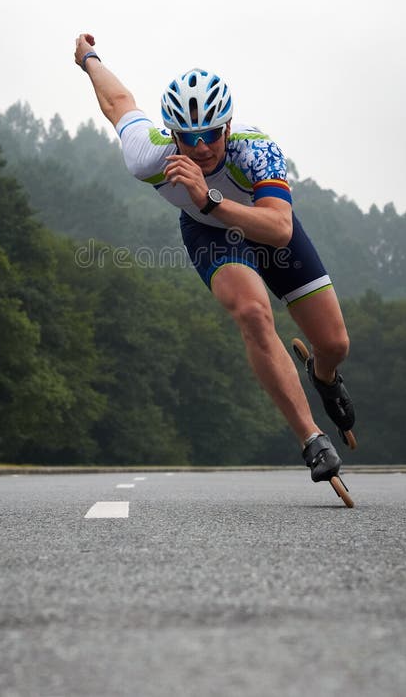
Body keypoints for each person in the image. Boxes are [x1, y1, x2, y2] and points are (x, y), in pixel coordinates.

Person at [74, 32, 356, 484]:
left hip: (263, 225)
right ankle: (311, 438)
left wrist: (209, 200)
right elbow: (118, 102)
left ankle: (323, 375)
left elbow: (280, 230)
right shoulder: (150, 156)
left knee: (336, 344)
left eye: (211, 135)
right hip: (210, 234)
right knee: (252, 311)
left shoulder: (256, 149)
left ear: (227, 127)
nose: (202, 147)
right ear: (172, 134)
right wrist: (89, 58)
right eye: (189, 137)